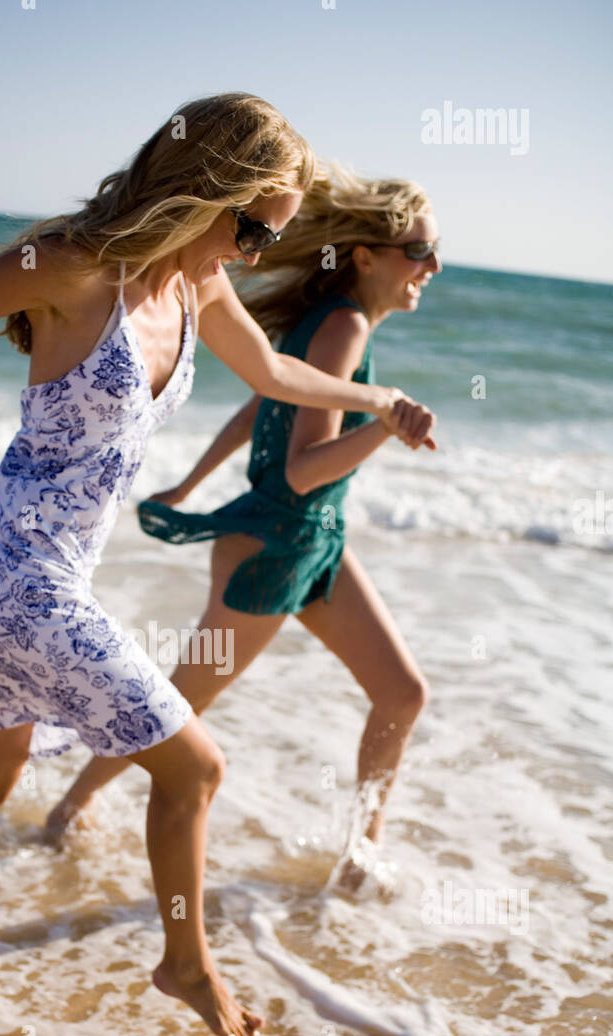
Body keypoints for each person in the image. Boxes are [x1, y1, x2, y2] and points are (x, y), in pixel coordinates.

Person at [0, 97, 435, 1036]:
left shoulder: (198, 284)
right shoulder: (72, 266)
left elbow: (276, 378)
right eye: (249, 226)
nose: (249, 250)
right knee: (195, 766)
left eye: (268, 237)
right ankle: (186, 964)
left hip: (46, 573)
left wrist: (378, 398)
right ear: (208, 189)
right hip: (21, 578)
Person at [47, 164, 441, 890]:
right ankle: (68, 810)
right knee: (182, 701)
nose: (433, 266)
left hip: (314, 541)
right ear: (366, 256)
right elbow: (300, 469)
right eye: (418, 251)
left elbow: (267, 401)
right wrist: (385, 422)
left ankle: (361, 854)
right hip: (277, 546)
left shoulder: (334, 322)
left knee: (402, 692)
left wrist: (194, 480)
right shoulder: (345, 323)